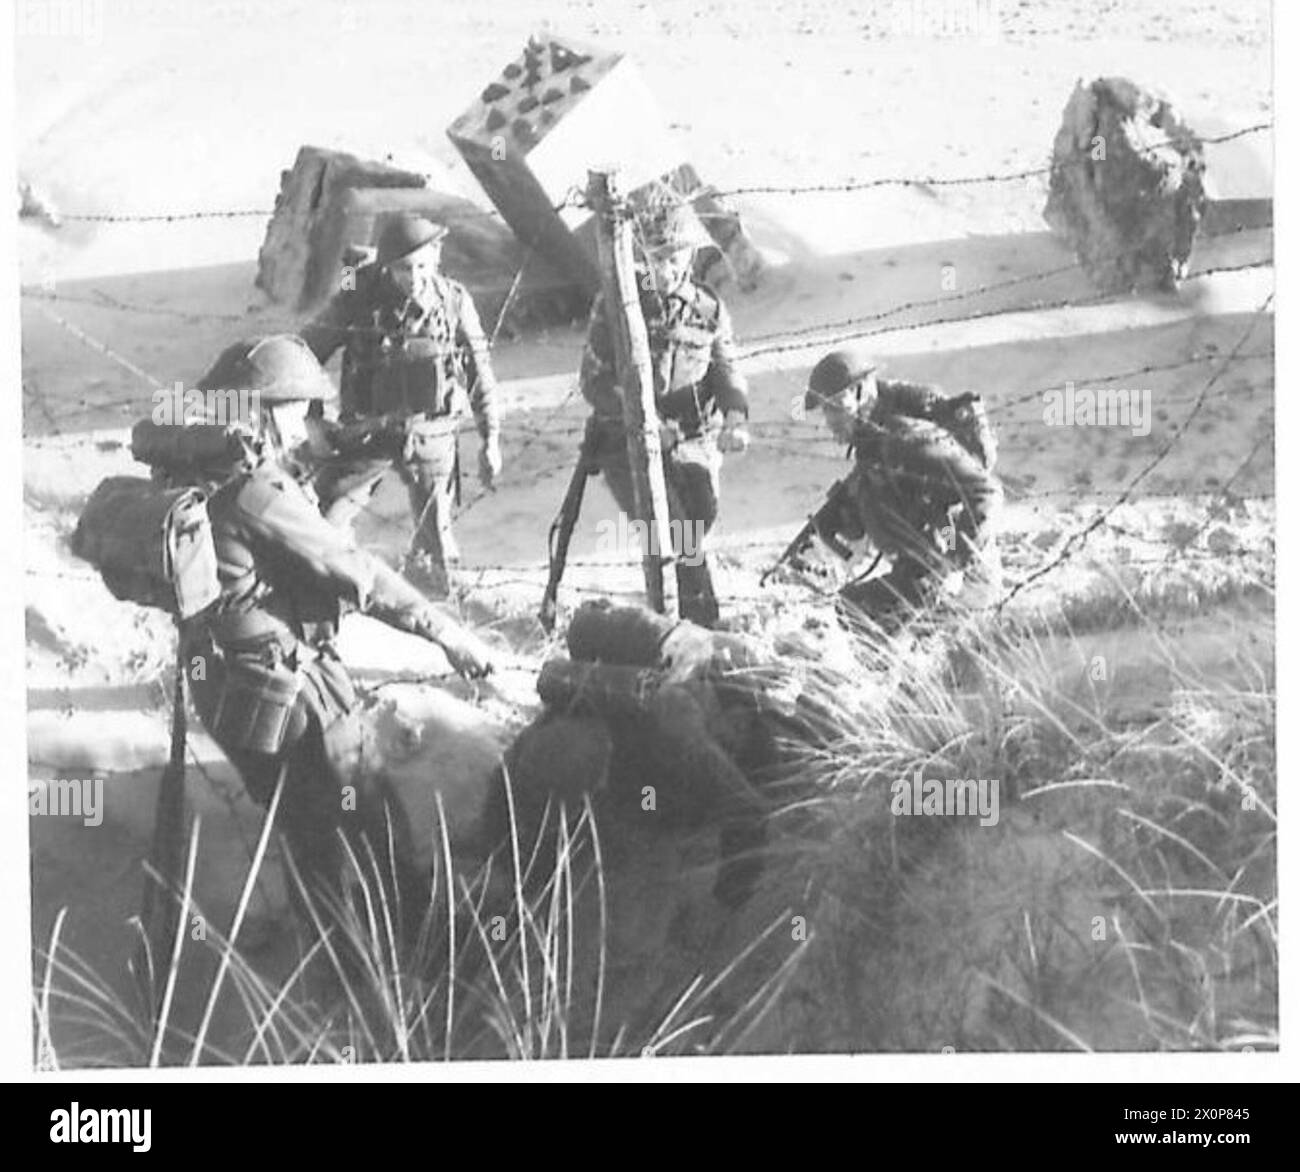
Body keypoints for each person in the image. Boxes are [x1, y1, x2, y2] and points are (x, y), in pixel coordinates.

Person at [159, 335, 495, 939]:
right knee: (366, 807)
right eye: (297, 408)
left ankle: (331, 962)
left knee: (303, 823)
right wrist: (445, 632)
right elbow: (355, 571)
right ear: (264, 411)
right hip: (289, 685)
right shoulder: (259, 489)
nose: (307, 421)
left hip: (222, 686)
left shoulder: (192, 468)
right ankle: (417, 946)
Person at [300, 213, 503, 597]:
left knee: (439, 543)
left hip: (432, 435)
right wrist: (313, 420)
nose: (415, 278)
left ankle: (436, 597)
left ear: (438, 258)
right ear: (387, 267)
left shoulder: (454, 301)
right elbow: (304, 353)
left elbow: (480, 372)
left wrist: (490, 438)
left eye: (423, 266)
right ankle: (333, 596)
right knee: (324, 523)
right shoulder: (357, 299)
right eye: (404, 269)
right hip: (365, 434)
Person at [578, 194, 750, 628]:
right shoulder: (617, 305)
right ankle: (694, 623)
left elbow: (725, 366)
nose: (668, 269)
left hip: (694, 439)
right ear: (642, 257)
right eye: (659, 258)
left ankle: (672, 604)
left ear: (692, 255)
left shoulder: (708, 307)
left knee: (697, 519)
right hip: (626, 439)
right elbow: (594, 382)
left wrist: (735, 416)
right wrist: (645, 422)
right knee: (673, 530)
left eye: (677, 257)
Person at [801, 347, 1002, 624]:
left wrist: (956, 563)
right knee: (853, 608)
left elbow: (983, 491)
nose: (830, 422)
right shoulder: (874, 442)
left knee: (855, 613)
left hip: (958, 579)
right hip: (926, 568)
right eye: (825, 411)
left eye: (836, 407)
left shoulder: (906, 438)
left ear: (862, 393)